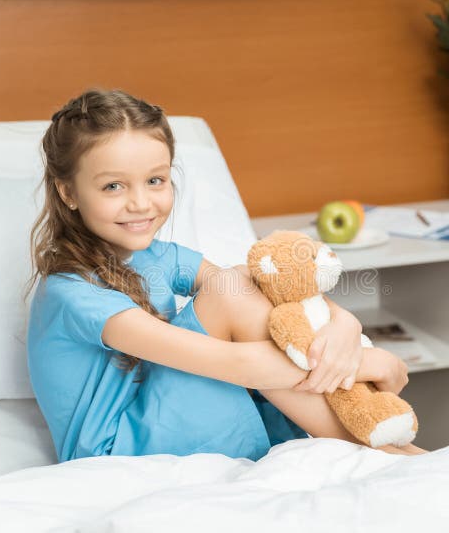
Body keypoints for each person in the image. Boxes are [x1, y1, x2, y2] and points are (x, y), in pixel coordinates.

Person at [25, 88, 425, 463]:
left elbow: (274, 289)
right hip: (120, 452)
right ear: (68, 193)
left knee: (241, 280)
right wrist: (366, 364)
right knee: (229, 293)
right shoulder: (72, 291)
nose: (141, 203)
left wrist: (345, 325)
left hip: (164, 418)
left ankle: (384, 445)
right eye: (113, 186)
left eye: (155, 181)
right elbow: (238, 362)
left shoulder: (158, 257)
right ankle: (383, 453)